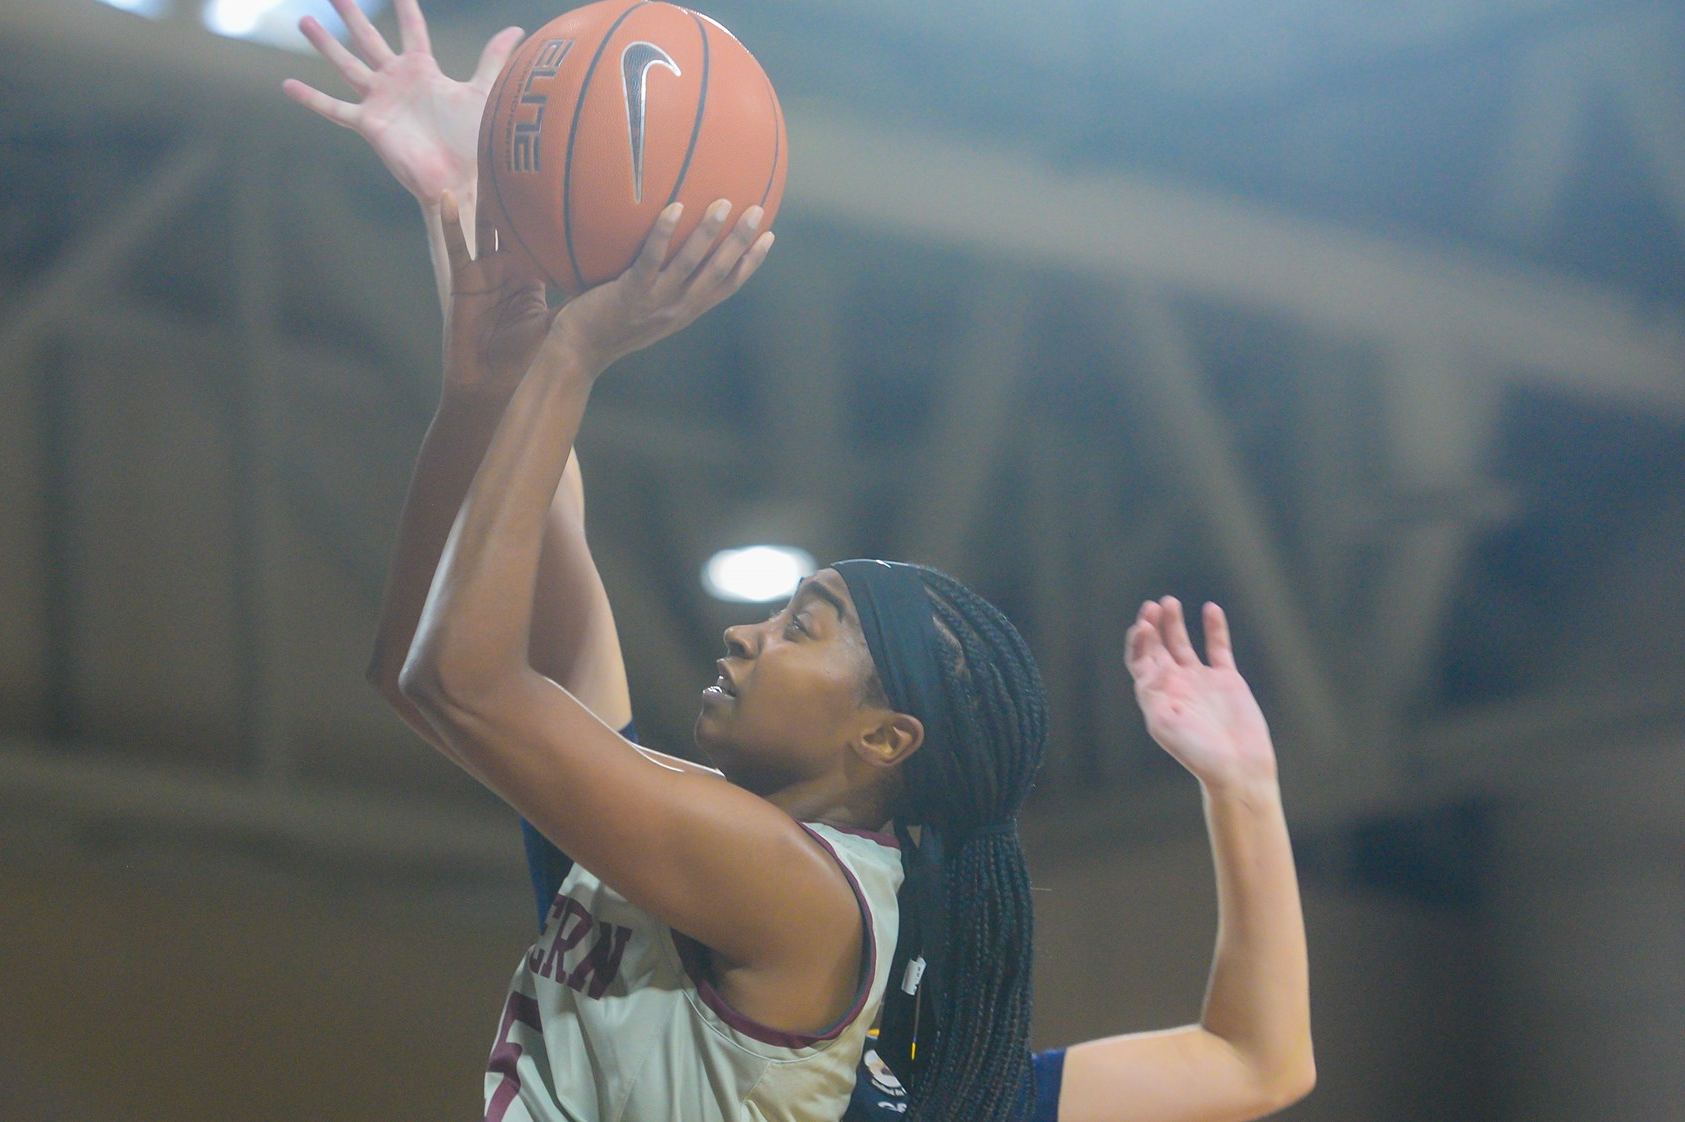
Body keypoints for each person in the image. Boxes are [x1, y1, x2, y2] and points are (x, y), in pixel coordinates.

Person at [285, 4, 1316, 1121]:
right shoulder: (899, 1071)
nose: (744, 631)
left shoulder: (789, 893)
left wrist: (576, 345)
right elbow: (1255, 1064)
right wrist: (488, 234)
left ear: (884, 739)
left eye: (803, 625)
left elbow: (455, 678)